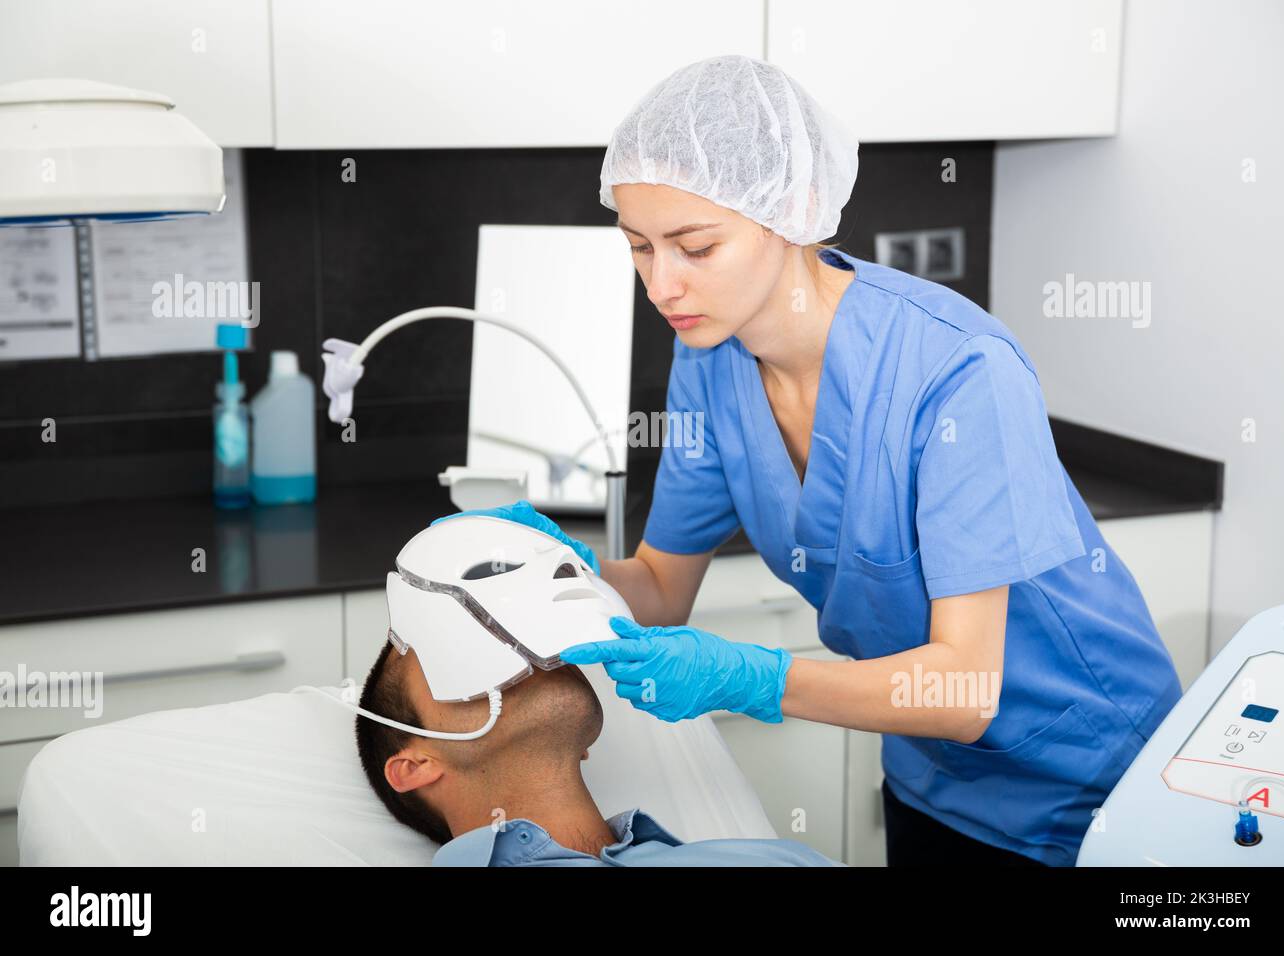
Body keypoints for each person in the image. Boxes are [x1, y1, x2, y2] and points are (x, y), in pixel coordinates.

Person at [469, 55, 1181, 867]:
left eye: (695, 246)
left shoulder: (957, 371)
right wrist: (558, 568)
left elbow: (965, 687)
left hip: (1086, 778)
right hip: (928, 768)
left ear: (797, 212)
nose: (662, 284)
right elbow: (662, 591)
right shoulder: (709, 355)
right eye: (639, 248)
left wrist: (754, 679)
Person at [354, 638, 841, 866]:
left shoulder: (778, 858)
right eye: (462, 655)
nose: (516, 651)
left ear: (584, 747)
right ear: (415, 767)